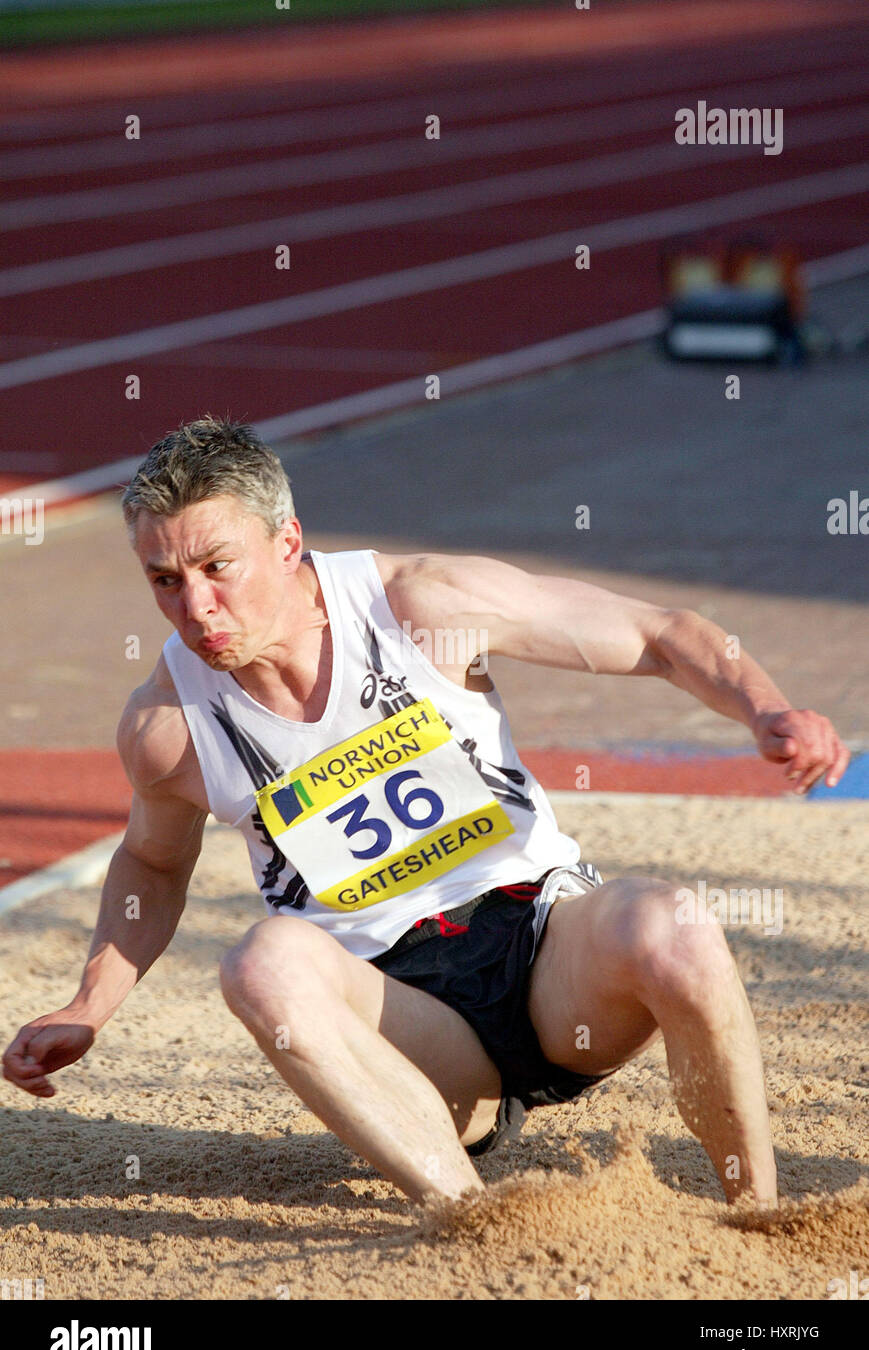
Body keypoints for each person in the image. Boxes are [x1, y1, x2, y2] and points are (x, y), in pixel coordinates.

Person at [3, 418, 849, 1209]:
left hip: (549, 957)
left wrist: (765, 712)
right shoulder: (168, 726)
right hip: (406, 1031)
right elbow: (152, 865)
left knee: (673, 921)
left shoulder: (422, 605)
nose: (195, 608)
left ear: (287, 540)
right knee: (262, 961)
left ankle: (757, 1213)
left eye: (217, 567)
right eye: (164, 580)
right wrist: (89, 1005)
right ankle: (471, 1223)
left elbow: (659, 633)